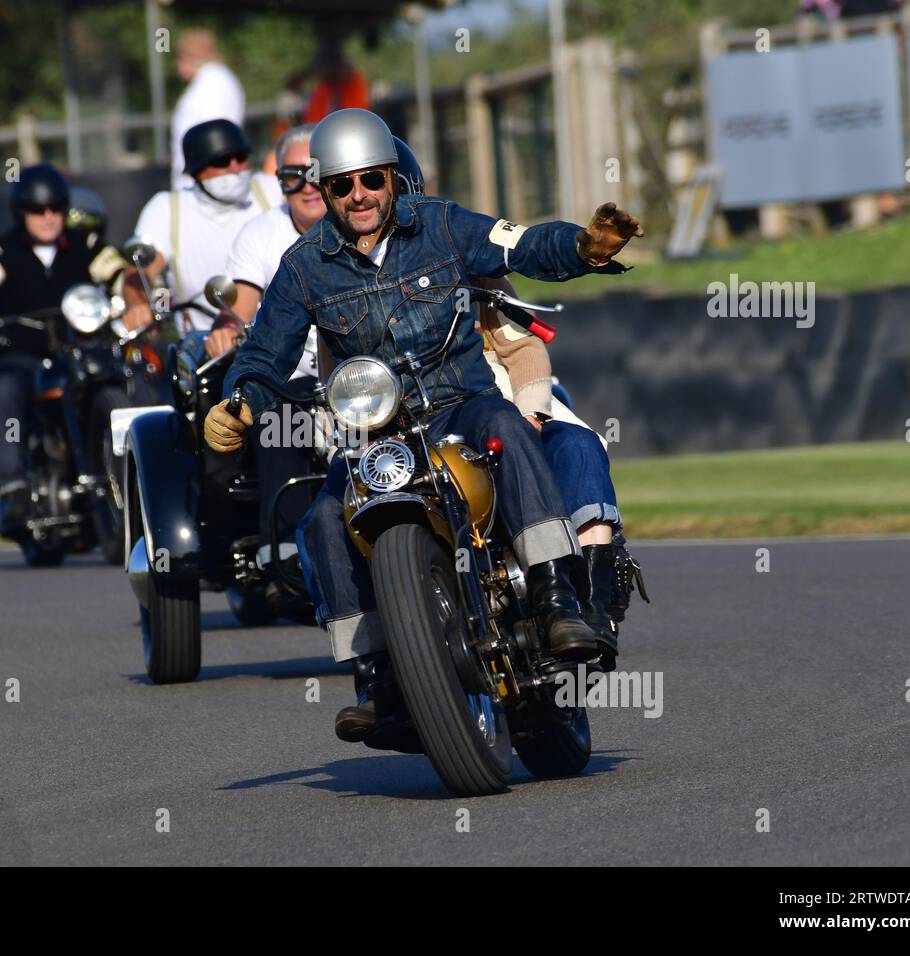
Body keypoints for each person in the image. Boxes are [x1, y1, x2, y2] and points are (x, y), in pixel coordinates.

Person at [204, 109, 642, 742]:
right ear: (324, 190)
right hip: (373, 433)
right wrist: (240, 401)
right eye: (343, 185)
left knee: (508, 426)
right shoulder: (302, 268)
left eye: (372, 181)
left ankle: (555, 599)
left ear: (390, 179)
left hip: (459, 404)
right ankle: (376, 671)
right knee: (322, 518)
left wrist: (581, 248)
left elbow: (518, 243)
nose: (359, 196)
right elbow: (265, 353)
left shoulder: (440, 224)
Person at [391, 137, 643, 669]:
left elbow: (524, 342)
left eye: (388, 191)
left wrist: (532, 413)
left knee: (574, 442)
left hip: (490, 412)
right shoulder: (329, 280)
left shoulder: (463, 252)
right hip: (396, 441)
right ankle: (378, 671)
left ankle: (592, 605)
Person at [0, 164, 127, 537]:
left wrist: (138, 297)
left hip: (80, 350)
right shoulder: (0, 250)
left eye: (55, 209)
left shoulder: (85, 243)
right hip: (24, 354)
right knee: (7, 386)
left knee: (118, 377)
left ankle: (131, 480)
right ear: (21, 213)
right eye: (37, 211)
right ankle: (14, 488)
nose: (47, 218)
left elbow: (120, 275)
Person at [219, 123, 324, 579]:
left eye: (316, 172)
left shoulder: (367, 223)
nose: (306, 187)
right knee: (280, 417)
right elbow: (237, 313)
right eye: (291, 176)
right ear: (278, 181)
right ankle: (286, 549)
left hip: (368, 375)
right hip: (298, 382)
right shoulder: (261, 234)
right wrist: (225, 330)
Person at [121, 119, 283, 363]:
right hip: (207, 348)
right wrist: (140, 305)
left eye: (241, 157)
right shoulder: (168, 208)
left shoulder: (271, 190)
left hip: (280, 338)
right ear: (196, 170)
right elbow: (140, 273)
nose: (235, 167)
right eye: (221, 161)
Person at [170, 30, 245, 189]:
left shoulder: (211, 84)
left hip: (207, 179)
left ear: (189, 57)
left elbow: (210, 139)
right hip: (209, 176)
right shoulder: (216, 80)